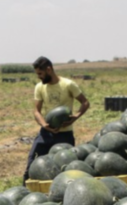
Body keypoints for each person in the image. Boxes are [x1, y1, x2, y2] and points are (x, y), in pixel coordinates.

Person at [23, 56, 90, 185]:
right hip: (45, 134)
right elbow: (36, 111)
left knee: (65, 171)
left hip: (64, 135)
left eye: (40, 73)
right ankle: (24, 195)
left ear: (49, 69)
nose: (39, 77)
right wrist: (44, 125)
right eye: (37, 74)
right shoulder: (39, 87)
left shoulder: (68, 85)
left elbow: (85, 103)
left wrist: (75, 117)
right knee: (31, 165)